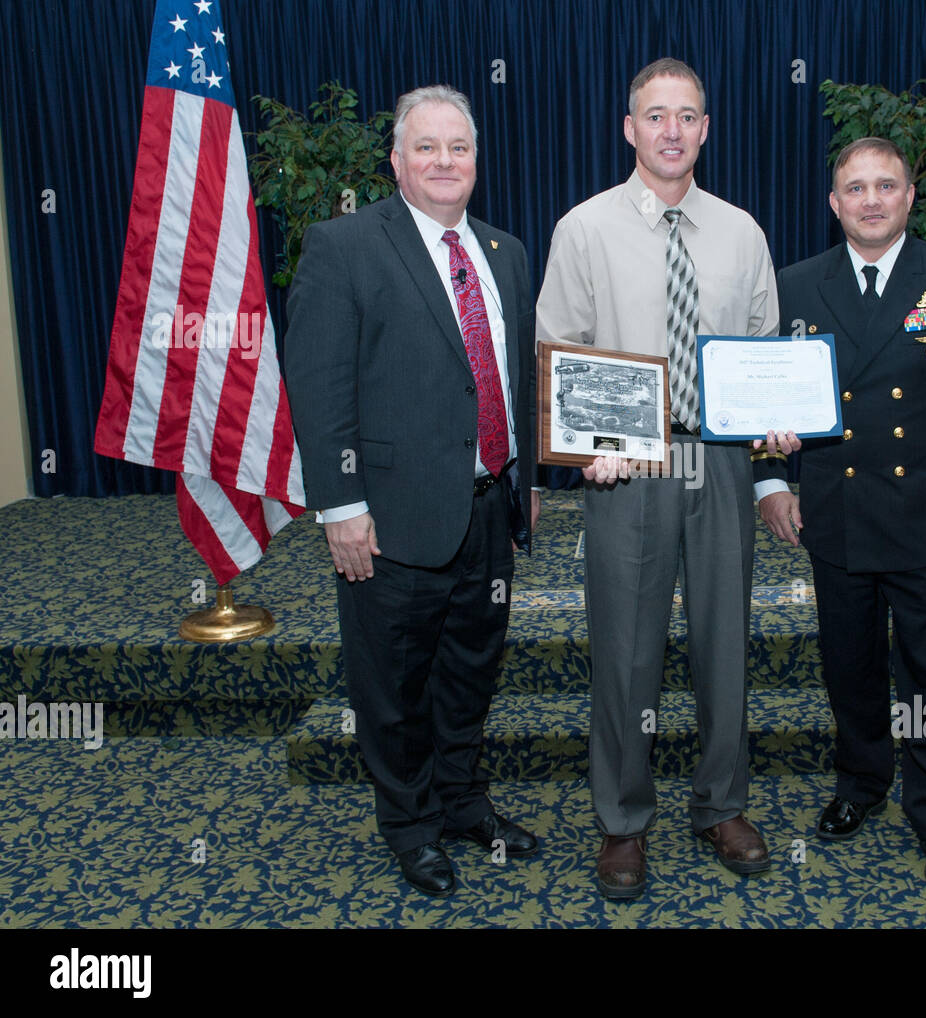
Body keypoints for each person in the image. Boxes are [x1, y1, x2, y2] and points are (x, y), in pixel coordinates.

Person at [536, 58, 796, 900]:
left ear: (706, 129)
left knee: (726, 642)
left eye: (687, 115)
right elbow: (556, 357)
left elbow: (765, 354)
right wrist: (583, 449)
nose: (673, 130)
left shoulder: (742, 232)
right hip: (626, 467)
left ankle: (721, 804)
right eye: (656, 116)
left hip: (719, 460)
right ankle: (621, 821)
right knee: (624, 649)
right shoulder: (583, 230)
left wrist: (774, 439)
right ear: (630, 128)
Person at [284, 85, 540, 898]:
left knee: (471, 669)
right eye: (425, 148)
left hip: (487, 510)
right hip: (388, 519)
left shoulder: (506, 252)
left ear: (476, 159)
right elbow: (319, 390)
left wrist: (524, 482)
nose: (443, 162)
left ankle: (463, 802)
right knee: (392, 684)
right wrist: (342, 508)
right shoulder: (344, 245)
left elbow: (512, 379)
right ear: (395, 160)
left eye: (457, 148)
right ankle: (411, 826)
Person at [756, 137, 926, 892]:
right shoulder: (797, 285)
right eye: (855, 188)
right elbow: (768, 401)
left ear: (911, 196)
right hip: (836, 516)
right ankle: (860, 783)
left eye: (886, 186)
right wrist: (772, 479)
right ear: (834, 202)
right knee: (850, 663)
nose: (871, 200)